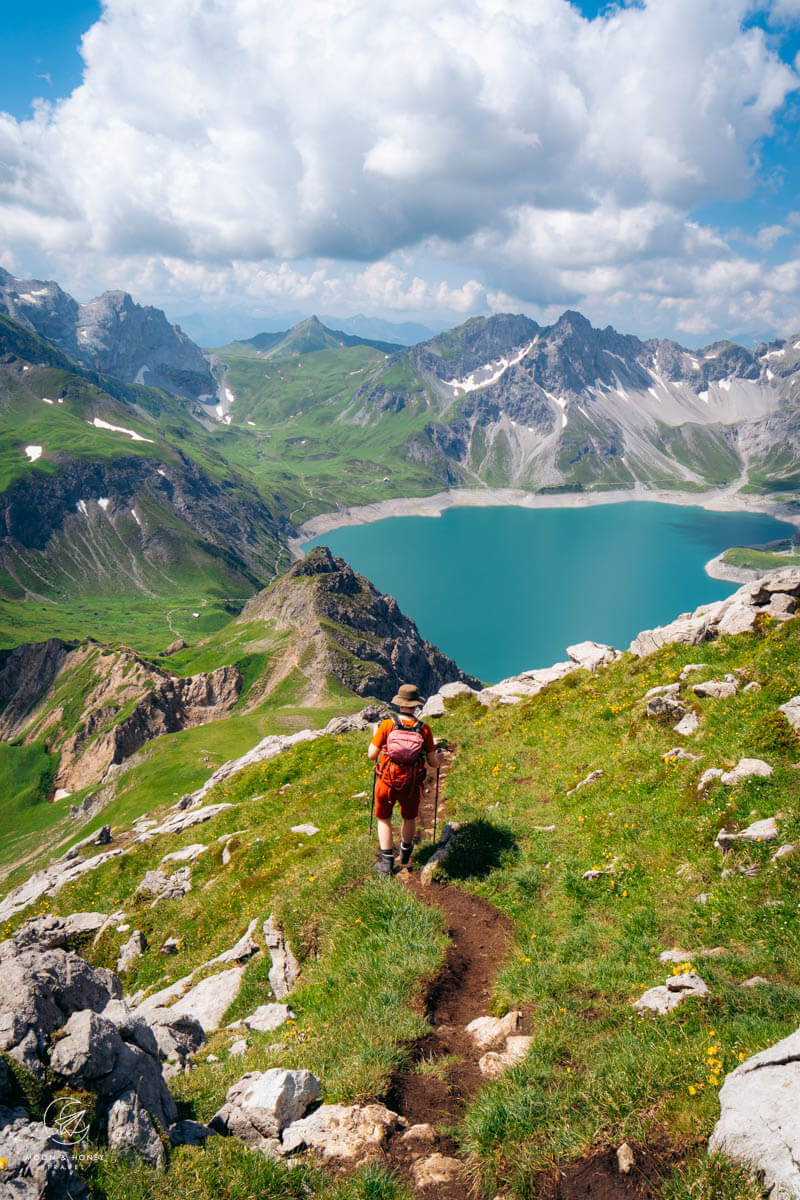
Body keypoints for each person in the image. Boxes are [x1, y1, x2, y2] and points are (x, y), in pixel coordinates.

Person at [368, 683, 439, 875]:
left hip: (386, 781)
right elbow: (433, 763)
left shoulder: (387, 725)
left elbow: (372, 755)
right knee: (409, 818)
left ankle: (386, 863)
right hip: (411, 784)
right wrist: (437, 757)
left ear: (399, 703)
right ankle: (406, 853)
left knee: (384, 818)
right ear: (416, 705)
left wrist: (375, 736)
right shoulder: (424, 730)